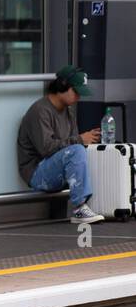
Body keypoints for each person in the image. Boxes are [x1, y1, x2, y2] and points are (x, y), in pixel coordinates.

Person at [16, 66, 104, 224]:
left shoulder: (69, 111)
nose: (78, 97)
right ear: (62, 87)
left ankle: (101, 205)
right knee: (77, 150)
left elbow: (71, 145)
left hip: (56, 168)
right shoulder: (40, 111)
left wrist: (83, 141)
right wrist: (79, 140)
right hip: (37, 173)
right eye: (76, 92)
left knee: (91, 152)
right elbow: (46, 149)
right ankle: (79, 209)